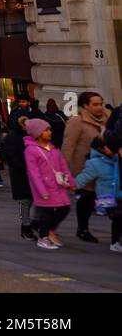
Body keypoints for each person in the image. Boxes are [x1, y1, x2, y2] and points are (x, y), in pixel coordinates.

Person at [63, 91, 109, 243]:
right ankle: (82, 229)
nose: (99, 107)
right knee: (87, 198)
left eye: (101, 103)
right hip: (84, 167)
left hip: (106, 166)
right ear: (85, 106)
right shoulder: (77, 121)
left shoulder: (107, 118)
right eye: (95, 104)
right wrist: (64, 169)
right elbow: (68, 146)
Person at [23, 117, 76, 250]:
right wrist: (42, 191)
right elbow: (34, 173)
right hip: (44, 188)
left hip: (57, 186)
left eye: (49, 130)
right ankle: (43, 237)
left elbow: (63, 167)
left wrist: (71, 182)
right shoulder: (31, 150)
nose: (50, 132)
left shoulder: (53, 149)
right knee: (47, 213)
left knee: (65, 208)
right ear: (38, 133)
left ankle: (49, 230)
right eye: (46, 130)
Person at [74, 137, 120, 253]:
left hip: (119, 195)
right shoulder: (95, 164)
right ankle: (115, 243)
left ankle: (116, 241)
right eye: (111, 147)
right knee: (119, 215)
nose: (115, 149)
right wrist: (68, 184)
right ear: (101, 148)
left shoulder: (117, 159)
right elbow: (81, 180)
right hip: (107, 199)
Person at [3, 111, 37, 240]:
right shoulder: (12, 137)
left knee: (38, 199)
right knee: (25, 200)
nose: (26, 125)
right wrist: (24, 166)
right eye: (23, 122)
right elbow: (10, 157)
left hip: (34, 173)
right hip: (21, 174)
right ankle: (26, 226)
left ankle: (36, 223)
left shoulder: (33, 135)